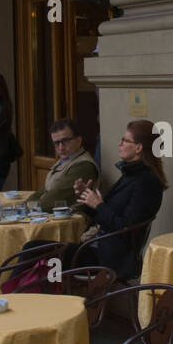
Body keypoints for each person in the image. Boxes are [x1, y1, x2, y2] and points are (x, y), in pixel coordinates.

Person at [65, 119, 166, 279]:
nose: (119, 144)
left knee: (38, 252)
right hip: (98, 249)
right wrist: (86, 197)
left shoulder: (146, 183)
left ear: (139, 148)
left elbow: (124, 227)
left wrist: (98, 205)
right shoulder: (131, 175)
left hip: (108, 258)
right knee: (37, 251)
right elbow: (108, 213)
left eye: (125, 140)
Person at [32, 118, 98, 213]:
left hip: (72, 220)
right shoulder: (65, 160)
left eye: (65, 141)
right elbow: (44, 190)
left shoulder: (83, 165)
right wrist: (25, 206)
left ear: (78, 140)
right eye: (56, 143)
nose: (61, 148)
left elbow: (54, 199)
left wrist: (29, 209)